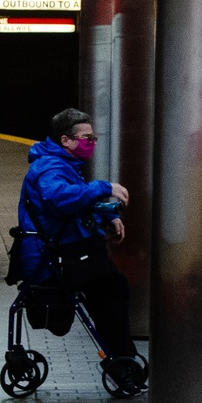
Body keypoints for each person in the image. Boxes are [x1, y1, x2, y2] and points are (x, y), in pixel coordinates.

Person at [17, 108, 140, 366]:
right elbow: (58, 199)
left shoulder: (63, 164)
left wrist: (107, 217)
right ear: (66, 141)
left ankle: (121, 356)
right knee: (111, 289)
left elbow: (75, 205)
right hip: (52, 256)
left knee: (112, 287)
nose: (92, 144)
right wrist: (104, 187)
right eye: (87, 139)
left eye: (93, 138)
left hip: (62, 249)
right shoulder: (50, 167)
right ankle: (122, 359)